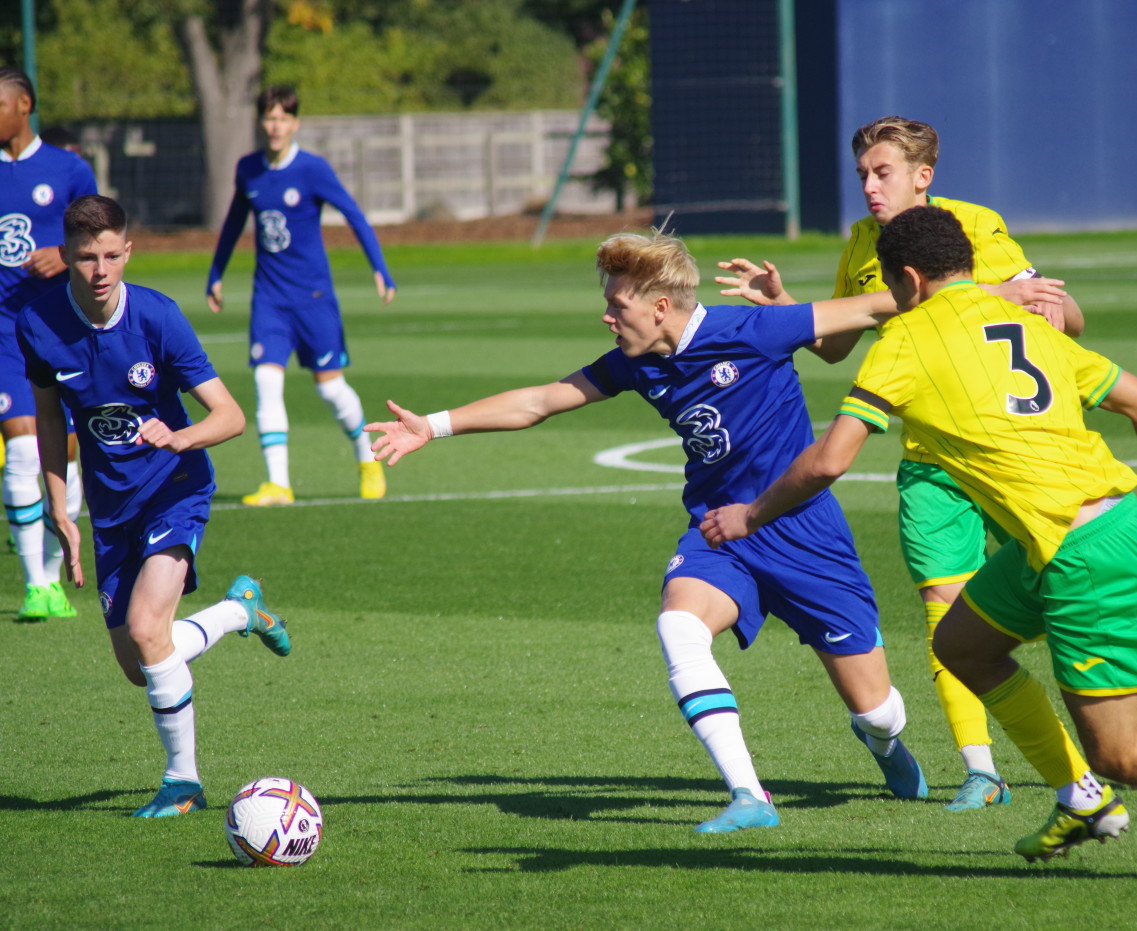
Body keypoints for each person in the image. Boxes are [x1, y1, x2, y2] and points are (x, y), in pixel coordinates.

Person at [701, 205, 1137, 881]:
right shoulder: (1025, 323)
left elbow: (828, 461)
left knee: (1121, 749)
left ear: (906, 277)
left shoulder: (901, 341)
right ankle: (1080, 799)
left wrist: (748, 516)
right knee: (960, 644)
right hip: (1064, 537)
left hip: (1083, 552)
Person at [368, 229, 928, 832]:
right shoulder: (637, 364)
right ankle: (750, 797)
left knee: (877, 712)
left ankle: (885, 744)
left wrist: (1007, 293)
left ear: (660, 308)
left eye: (618, 304)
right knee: (678, 626)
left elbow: (883, 304)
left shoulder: (753, 331)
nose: (607, 316)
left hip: (804, 531)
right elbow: (539, 402)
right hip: (720, 531)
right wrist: (432, 425)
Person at [716, 115, 1137, 812]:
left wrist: (1001, 308)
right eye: (862, 175)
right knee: (947, 612)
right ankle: (981, 770)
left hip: (1009, 445)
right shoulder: (863, 243)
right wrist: (787, 306)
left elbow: (1070, 319)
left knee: (1058, 586)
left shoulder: (976, 227)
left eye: (882, 173)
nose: (870, 188)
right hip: (929, 456)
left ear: (923, 175)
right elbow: (838, 347)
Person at [17, 195, 292, 817]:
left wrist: (179, 436)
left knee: (147, 631)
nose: (100, 270)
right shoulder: (36, 323)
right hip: (110, 510)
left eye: (112, 255)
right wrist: (59, 506)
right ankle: (238, 612)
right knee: (141, 666)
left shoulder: (159, 318)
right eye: (87, 257)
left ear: (128, 251)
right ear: (65, 256)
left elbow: (231, 415)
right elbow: (50, 415)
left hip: (176, 487)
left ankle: (183, 783)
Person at [206, 84, 395, 506]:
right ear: (261, 122)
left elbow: (354, 215)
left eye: (282, 119)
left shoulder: (313, 169)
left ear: (296, 123)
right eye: (269, 118)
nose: (275, 127)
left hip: (313, 299)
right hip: (269, 301)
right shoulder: (248, 169)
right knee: (265, 381)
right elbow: (235, 222)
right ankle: (279, 484)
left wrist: (380, 269)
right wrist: (215, 274)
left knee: (330, 389)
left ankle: (367, 457)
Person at [0, 67, 94, 620]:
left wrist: (64, 253)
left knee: (67, 456)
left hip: (63, 330)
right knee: (25, 450)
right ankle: (36, 584)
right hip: (4, 334)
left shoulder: (67, 168)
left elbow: (102, 233)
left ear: (24, 105)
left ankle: (57, 574)